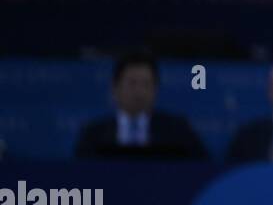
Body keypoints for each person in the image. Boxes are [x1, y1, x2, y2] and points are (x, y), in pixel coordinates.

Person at [75, 50, 207, 159]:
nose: (139, 93)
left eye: (146, 85)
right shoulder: (93, 135)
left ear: (155, 90)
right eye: (132, 84)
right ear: (115, 88)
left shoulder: (178, 131)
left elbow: (202, 169)